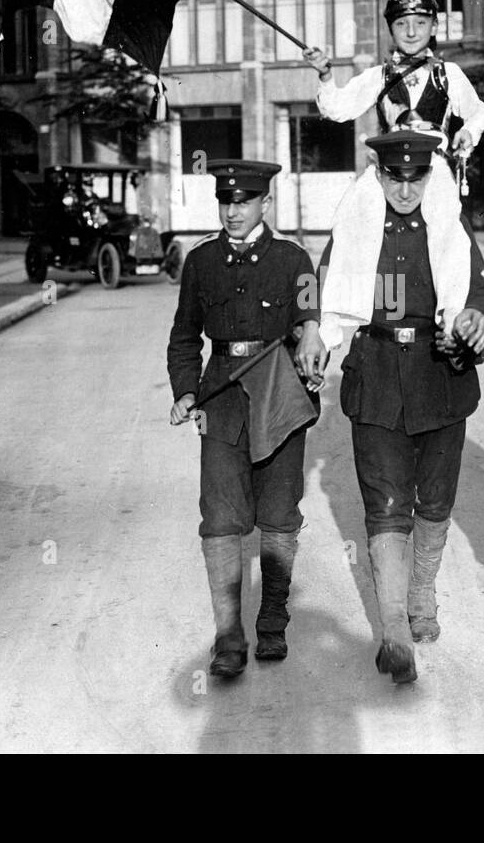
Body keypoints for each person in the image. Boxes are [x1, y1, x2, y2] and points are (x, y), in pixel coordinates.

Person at [316, 129, 484, 685]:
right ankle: (394, 627)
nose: (404, 188)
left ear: (428, 175)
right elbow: (321, 292)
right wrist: (314, 337)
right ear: (379, 174)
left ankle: (421, 596)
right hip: (375, 378)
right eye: (393, 176)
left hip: (440, 379)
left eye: (414, 176)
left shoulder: (449, 225)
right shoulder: (354, 225)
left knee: (436, 501)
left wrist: (473, 321)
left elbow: (483, 293)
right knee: (386, 503)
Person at [166, 160, 326, 679]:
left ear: (265, 204)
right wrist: (186, 391)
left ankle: (273, 622)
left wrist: (311, 343)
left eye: (244, 201)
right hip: (221, 399)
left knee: (279, 513)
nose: (234, 211)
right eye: (226, 202)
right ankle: (228, 636)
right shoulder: (201, 262)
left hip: (278, 393)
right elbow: (185, 335)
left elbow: (309, 321)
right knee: (219, 516)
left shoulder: (294, 260)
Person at [302, 0, 484, 198]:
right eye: (401, 24)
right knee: (352, 219)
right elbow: (336, 109)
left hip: (433, 170)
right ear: (391, 30)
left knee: (446, 227)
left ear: (434, 27)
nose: (411, 32)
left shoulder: (447, 73)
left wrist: (469, 131)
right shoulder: (378, 76)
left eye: (420, 23)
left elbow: (482, 112)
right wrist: (325, 74)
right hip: (389, 170)